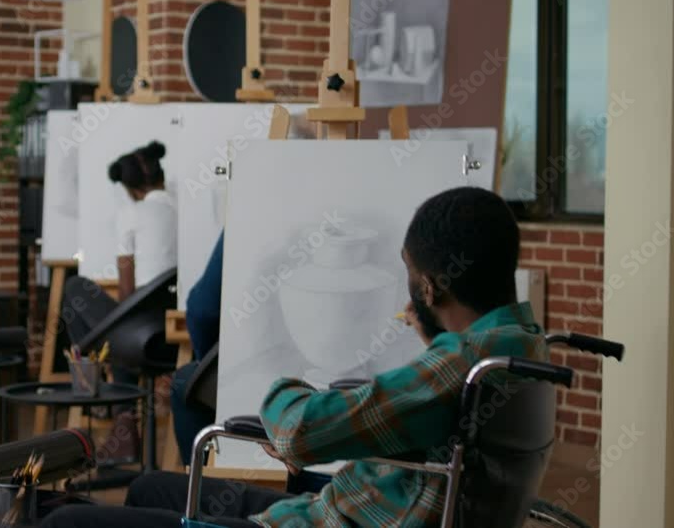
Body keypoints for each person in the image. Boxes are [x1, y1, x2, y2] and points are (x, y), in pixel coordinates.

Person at [41, 186, 548, 527]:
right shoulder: (520, 345)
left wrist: (286, 387)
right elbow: (430, 412)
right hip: (348, 506)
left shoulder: (457, 366)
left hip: (328, 520)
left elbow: (296, 431)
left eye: (411, 276)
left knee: (68, 521)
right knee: (151, 487)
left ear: (431, 288)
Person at [60, 140, 176, 463]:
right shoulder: (183, 212)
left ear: (130, 190)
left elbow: (127, 296)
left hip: (141, 336)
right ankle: (118, 416)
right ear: (161, 176)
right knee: (118, 326)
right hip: (173, 337)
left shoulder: (132, 214)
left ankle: (98, 392)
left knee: (74, 289)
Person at [168, 230, 222, 466]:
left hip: (260, 378)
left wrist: (207, 362)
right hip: (331, 394)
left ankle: (202, 486)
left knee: (187, 381)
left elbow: (203, 312)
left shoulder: (250, 215)